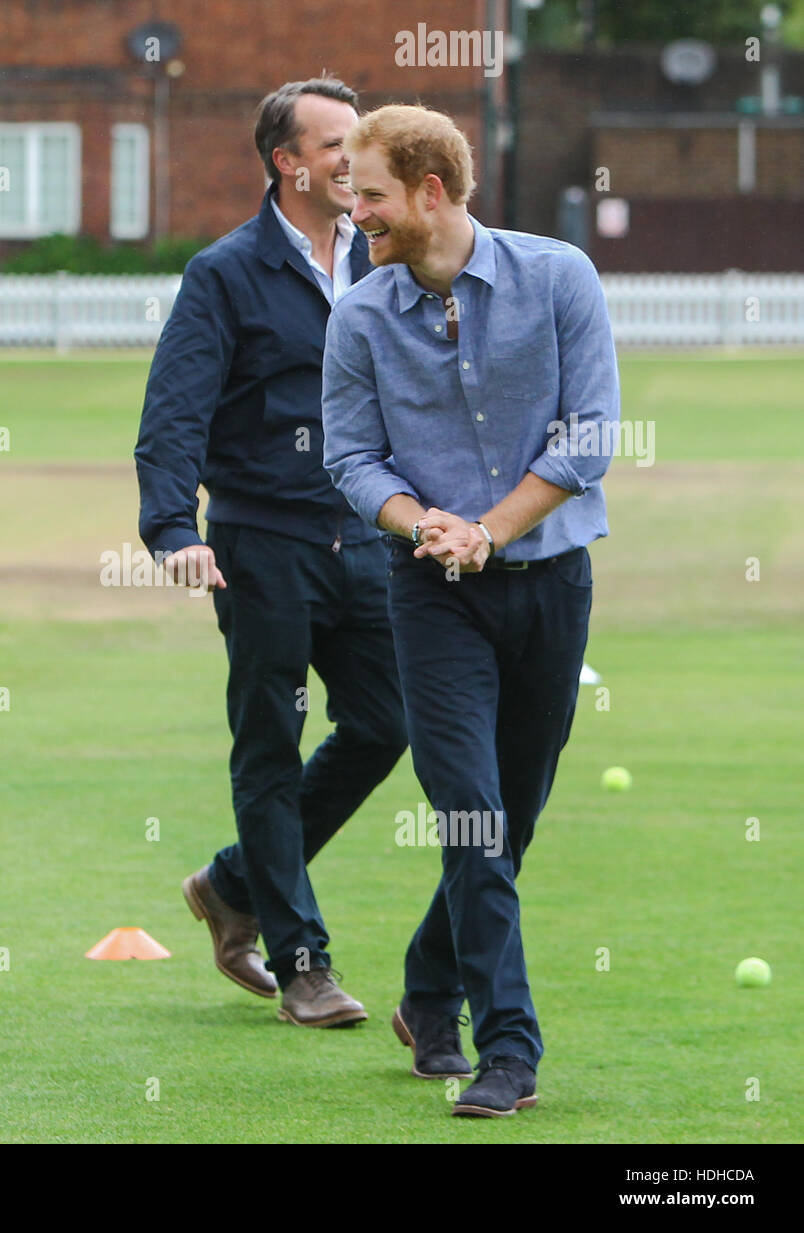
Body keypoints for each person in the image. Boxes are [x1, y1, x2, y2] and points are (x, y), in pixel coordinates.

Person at [322, 104, 619, 1113]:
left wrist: (489, 526)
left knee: (512, 822)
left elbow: (587, 439)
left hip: (550, 583)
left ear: (429, 192)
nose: (352, 212)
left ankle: (425, 984)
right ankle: (509, 1053)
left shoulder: (558, 277)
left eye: (366, 195)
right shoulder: (358, 313)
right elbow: (350, 458)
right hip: (428, 593)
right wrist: (426, 527)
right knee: (470, 820)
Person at [135, 78, 408, 1028]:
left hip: (364, 539)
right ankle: (302, 962)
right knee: (269, 743)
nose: (353, 158)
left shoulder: (385, 261)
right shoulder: (226, 273)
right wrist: (171, 528)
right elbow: (174, 409)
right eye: (335, 144)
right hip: (263, 545)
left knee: (386, 722)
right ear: (287, 163)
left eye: (359, 141)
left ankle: (230, 883)